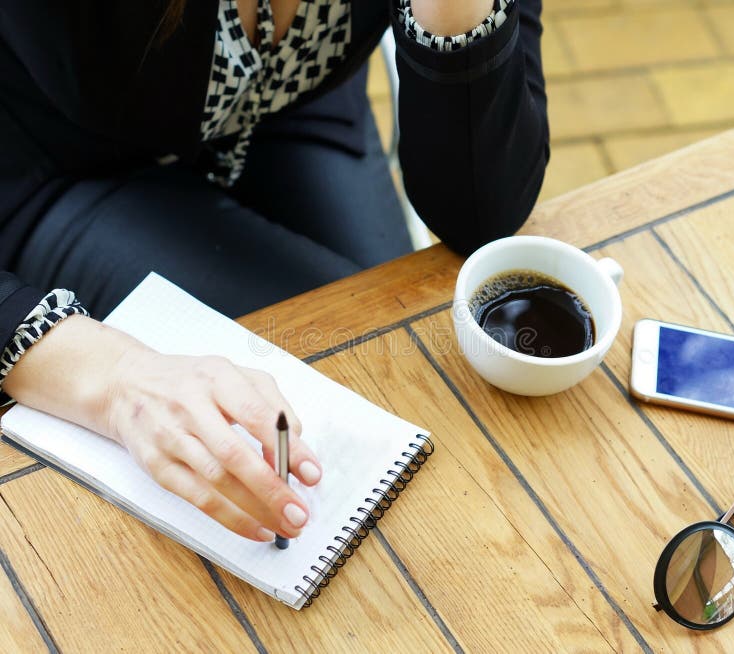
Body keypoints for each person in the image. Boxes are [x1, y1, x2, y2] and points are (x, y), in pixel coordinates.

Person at [0, 1, 548, 543]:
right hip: (57, 168)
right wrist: (116, 381)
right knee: (360, 403)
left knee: (402, 386)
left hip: (295, 100)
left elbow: (479, 215)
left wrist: (453, 14)